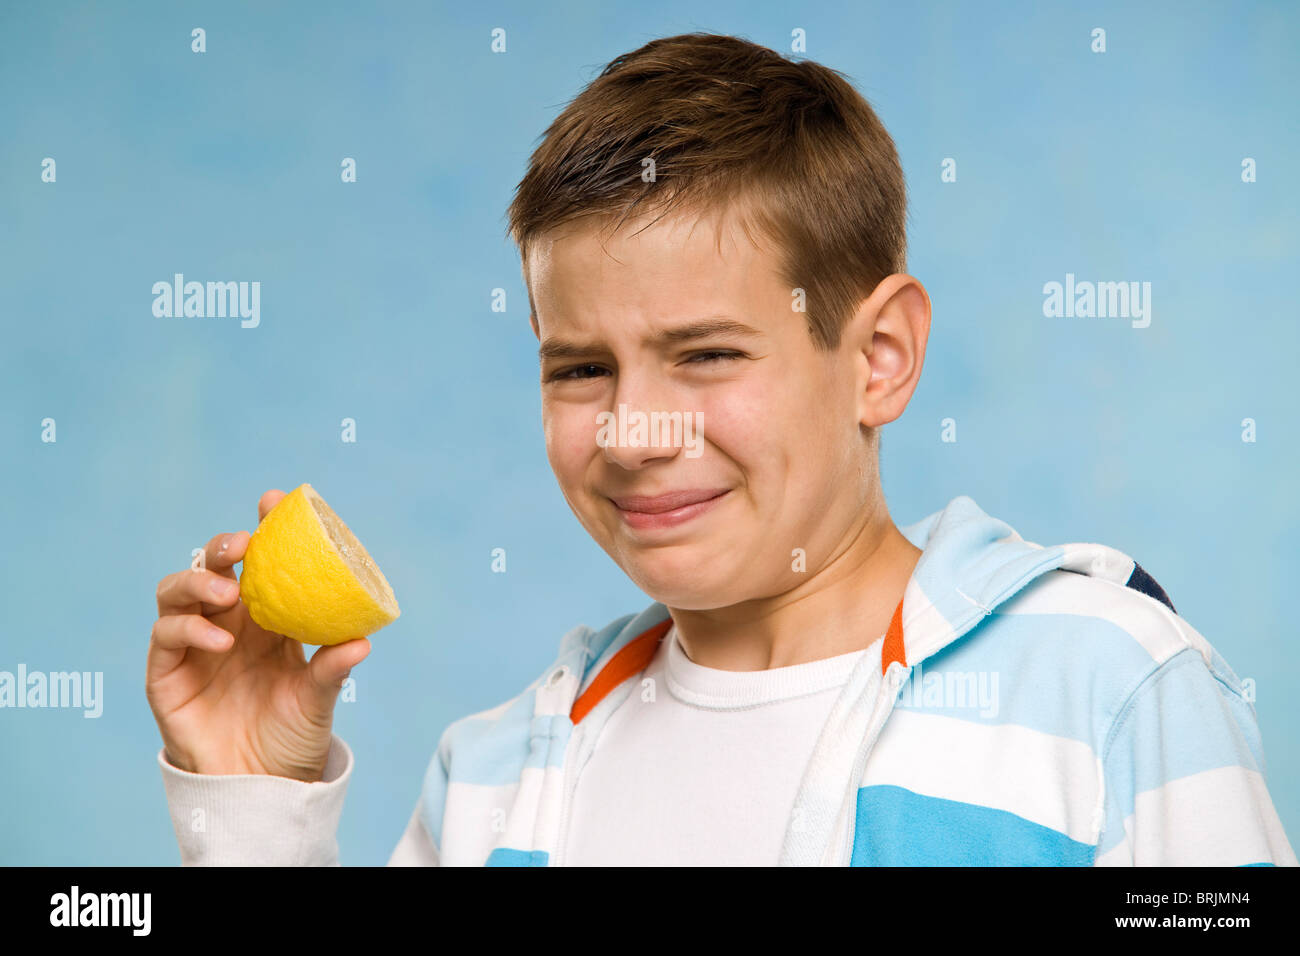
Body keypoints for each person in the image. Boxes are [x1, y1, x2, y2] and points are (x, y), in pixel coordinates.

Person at [146, 32, 1297, 866]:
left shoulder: (1106, 685)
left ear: (879, 356)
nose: (633, 432)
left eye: (704, 355)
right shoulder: (496, 775)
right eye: (580, 368)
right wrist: (253, 805)